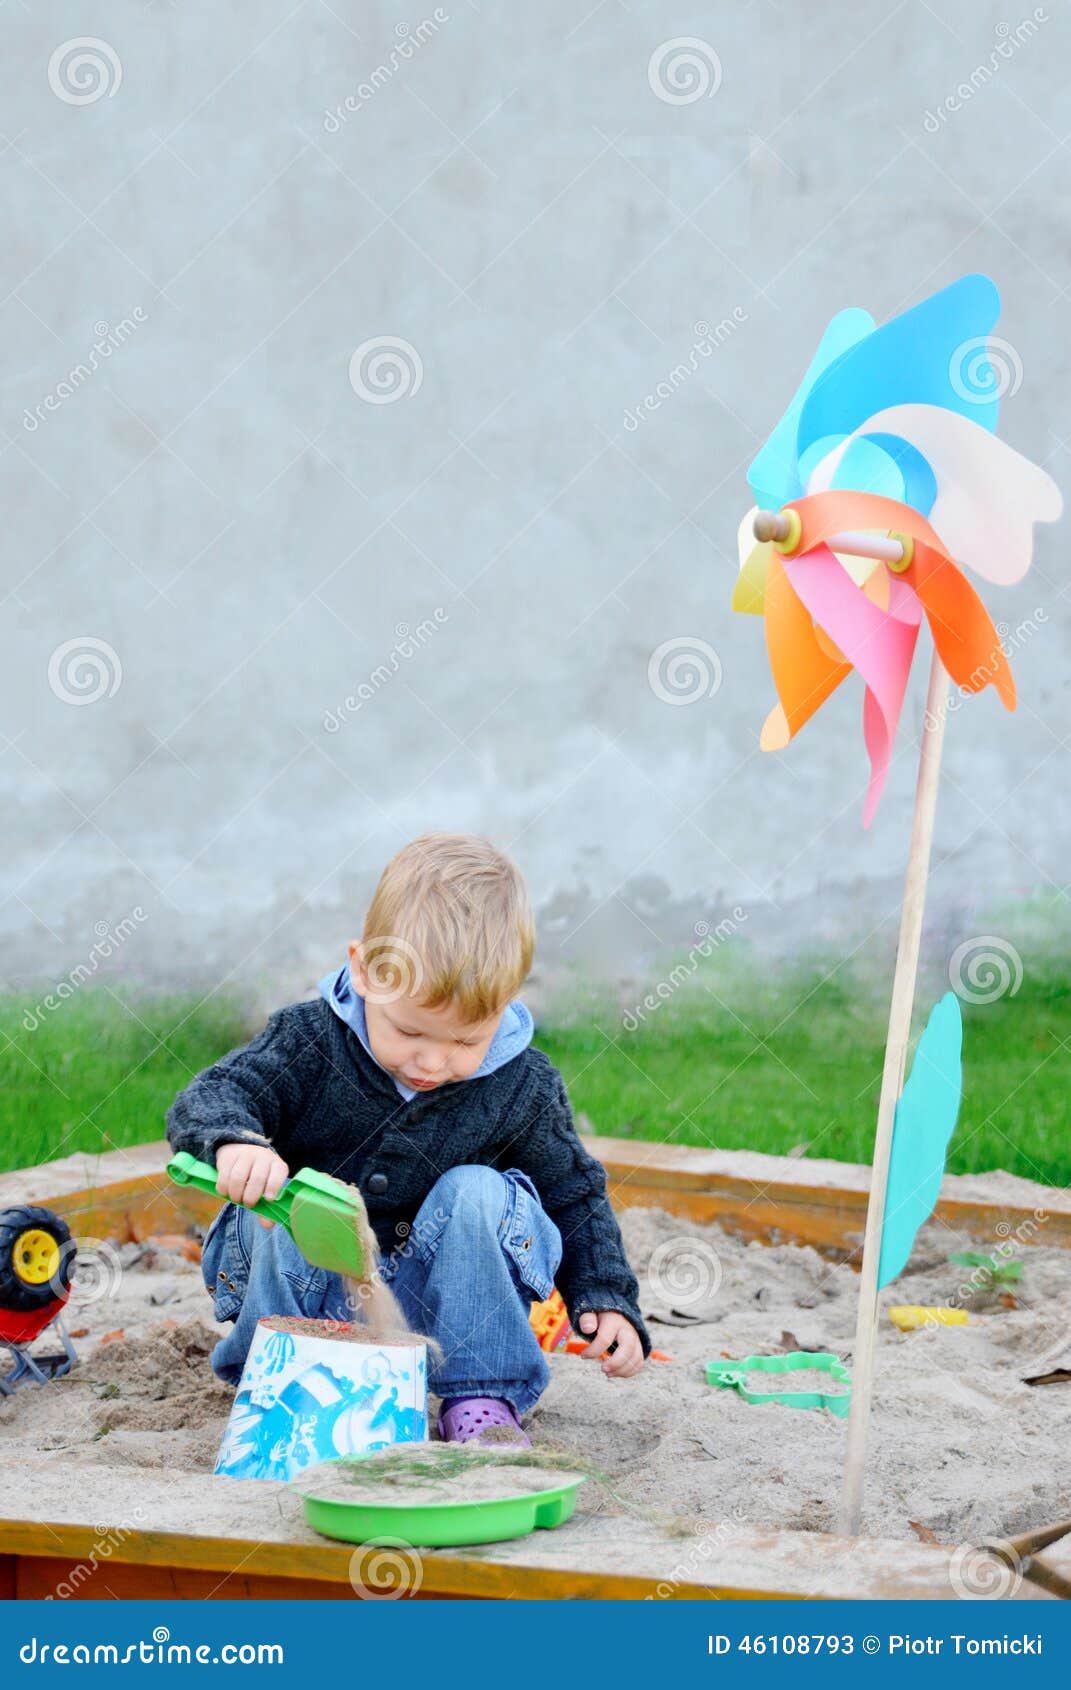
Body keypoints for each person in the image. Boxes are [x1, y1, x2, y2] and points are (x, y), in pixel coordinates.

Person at [167, 832, 649, 1445]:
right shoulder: (309, 1042)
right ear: (364, 970)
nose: (432, 1061)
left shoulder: (521, 1084)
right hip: (310, 1294)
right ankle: (281, 1385)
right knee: (298, 1195)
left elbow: (574, 1193)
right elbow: (210, 1096)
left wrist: (605, 1296)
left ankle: (480, 1398)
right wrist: (235, 1142)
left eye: (465, 1042)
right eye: (410, 1031)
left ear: (505, 1005)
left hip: (444, 1306)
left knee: (477, 1189)